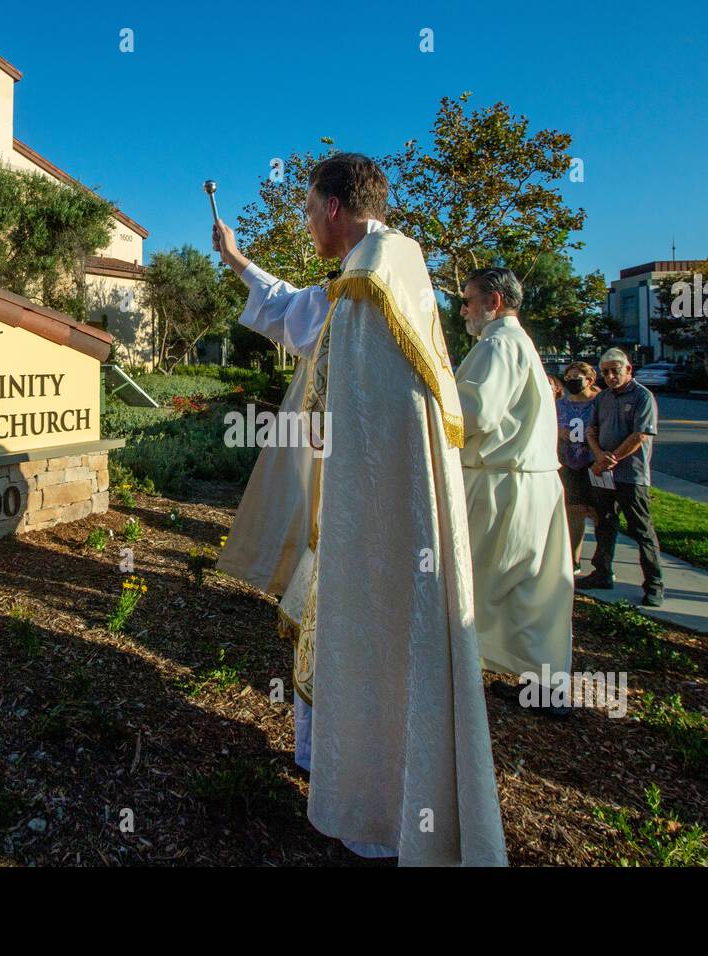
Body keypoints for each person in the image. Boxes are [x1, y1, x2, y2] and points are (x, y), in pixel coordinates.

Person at [211, 152, 505, 865]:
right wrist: (241, 261)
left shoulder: (376, 282)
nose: (308, 224)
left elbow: (379, 419)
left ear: (336, 208)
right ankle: (347, 776)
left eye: (310, 210)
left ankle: (383, 803)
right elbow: (298, 313)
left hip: (379, 525)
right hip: (356, 517)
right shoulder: (376, 271)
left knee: (378, 631)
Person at [454, 268, 574, 712]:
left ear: (495, 302)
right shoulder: (519, 343)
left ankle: (457, 673)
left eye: (468, 300)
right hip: (535, 482)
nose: (463, 309)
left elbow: (476, 412)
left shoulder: (497, 345)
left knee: (472, 583)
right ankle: (543, 688)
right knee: (534, 595)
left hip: (500, 484)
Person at [577, 348, 665, 606]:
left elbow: (640, 435)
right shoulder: (602, 398)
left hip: (631, 476)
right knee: (604, 524)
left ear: (628, 369)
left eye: (616, 370)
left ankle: (654, 583)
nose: (611, 375)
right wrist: (598, 456)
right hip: (603, 475)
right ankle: (602, 572)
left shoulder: (642, 397)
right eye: (605, 372)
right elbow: (592, 430)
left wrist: (612, 457)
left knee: (641, 530)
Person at [557, 361, 602, 571]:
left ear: (590, 380)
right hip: (570, 463)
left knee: (598, 512)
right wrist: (559, 432)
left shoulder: (600, 402)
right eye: (568, 378)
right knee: (574, 512)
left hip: (594, 463)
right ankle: (573, 560)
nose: (571, 382)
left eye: (576, 378)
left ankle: (602, 563)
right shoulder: (562, 405)